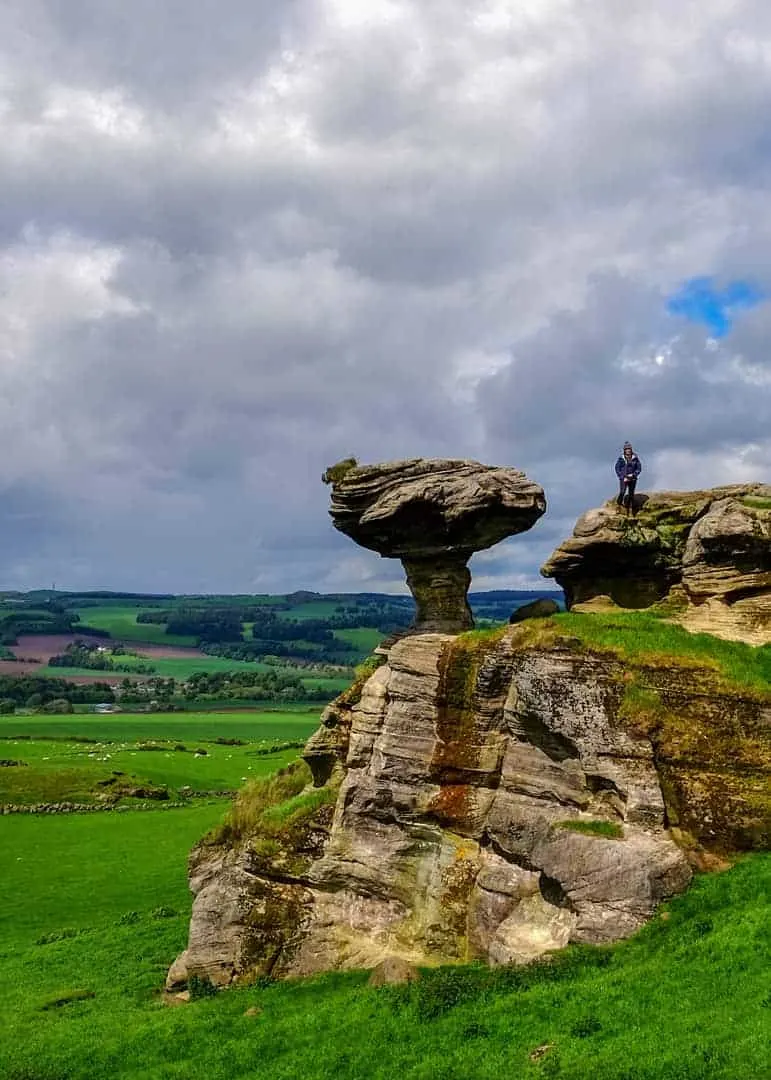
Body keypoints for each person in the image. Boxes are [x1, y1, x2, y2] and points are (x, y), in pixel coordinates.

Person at [615, 442, 641, 513]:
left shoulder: (635, 458)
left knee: (631, 494)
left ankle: (630, 508)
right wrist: (621, 476)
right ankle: (619, 505)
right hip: (624, 478)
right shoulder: (621, 459)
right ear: (624, 450)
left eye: (629, 449)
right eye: (626, 449)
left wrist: (634, 475)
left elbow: (639, 468)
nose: (628, 450)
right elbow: (617, 468)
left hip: (632, 478)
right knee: (622, 492)